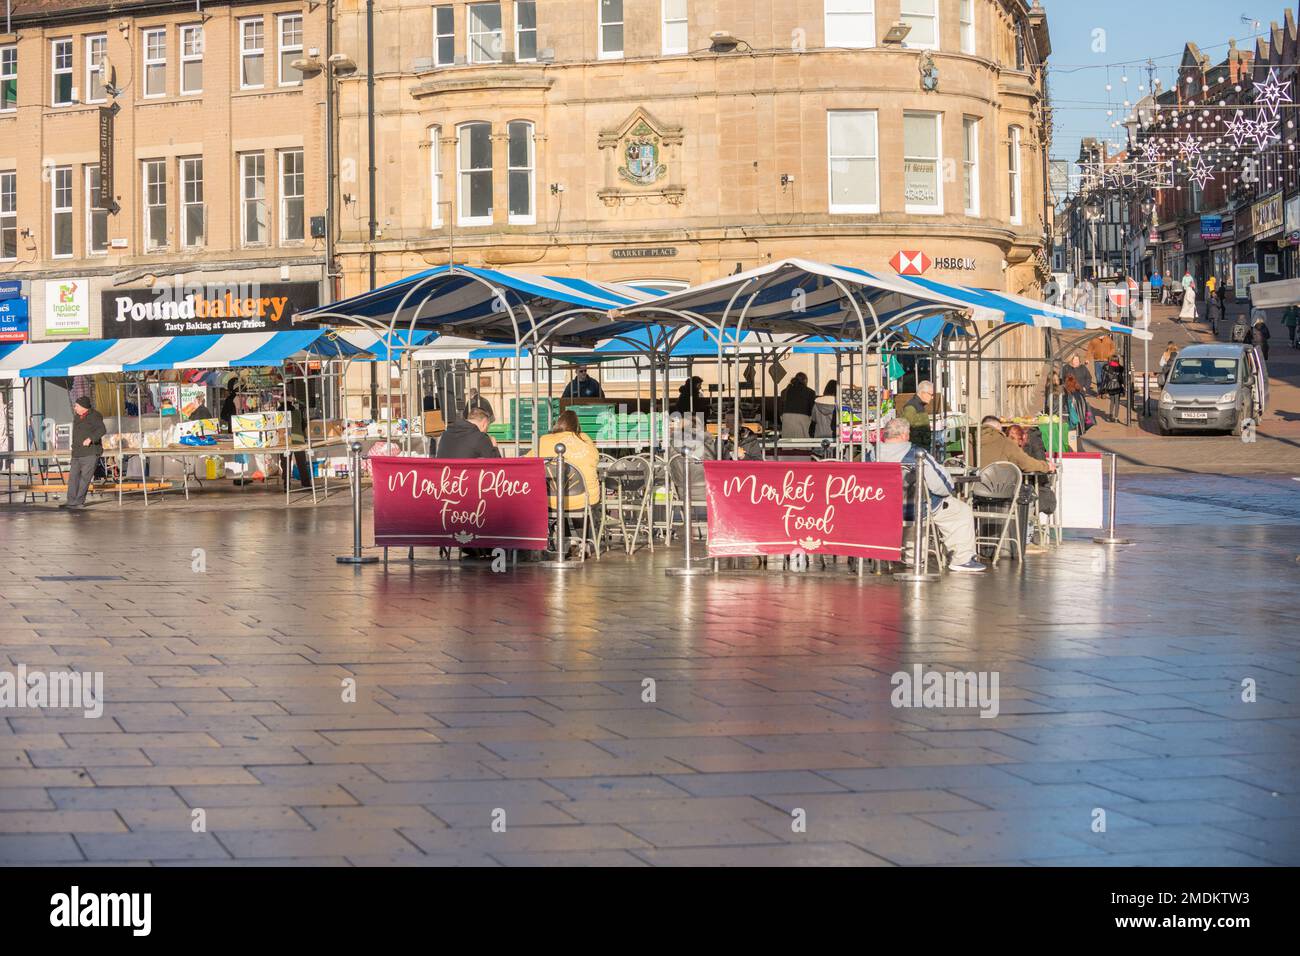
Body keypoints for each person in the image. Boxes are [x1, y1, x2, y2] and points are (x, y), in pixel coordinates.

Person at [874, 418, 985, 574]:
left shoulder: (871, 454)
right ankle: (962, 559)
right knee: (960, 510)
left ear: (884, 435)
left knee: (915, 506)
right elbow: (942, 486)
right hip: (915, 510)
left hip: (882, 510)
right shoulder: (918, 455)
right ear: (906, 435)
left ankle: (911, 557)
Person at [526, 409, 600, 510]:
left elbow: (527, 463)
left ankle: (561, 525)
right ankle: (582, 526)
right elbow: (596, 460)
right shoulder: (585, 439)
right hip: (585, 500)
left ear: (557, 424)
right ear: (577, 427)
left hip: (550, 500)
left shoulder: (544, 440)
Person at [62, 396, 105, 510]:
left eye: (76, 406)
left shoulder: (94, 415)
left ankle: (79, 502)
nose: (74, 408)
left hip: (90, 453)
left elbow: (102, 429)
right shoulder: (77, 416)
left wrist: (91, 438)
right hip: (77, 452)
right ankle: (71, 502)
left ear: (83, 407)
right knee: (73, 478)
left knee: (84, 479)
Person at [978, 416, 1052, 474]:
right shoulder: (1005, 442)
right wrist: (1046, 466)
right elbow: (1026, 463)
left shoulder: (971, 442)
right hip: (1000, 489)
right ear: (997, 428)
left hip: (974, 488)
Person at [433, 407, 499, 458]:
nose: (486, 431)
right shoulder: (480, 437)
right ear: (484, 423)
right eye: (487, 427)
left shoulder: (445, 434)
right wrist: (494, 447)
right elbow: (496, 467)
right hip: (464, 475)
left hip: (444, 474)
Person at [899, 379, 936, 450]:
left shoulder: (920, 405)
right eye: (931, 394)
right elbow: (904, 429)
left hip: (921, 446)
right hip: (915, 448)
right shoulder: (911, 407)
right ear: (923, 393)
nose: (932, 397)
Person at [779, 371, 816, 438]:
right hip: (803, 417)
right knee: (802, 442)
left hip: (786, 417)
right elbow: (812, 410)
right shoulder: (810, 392)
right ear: (805, 380)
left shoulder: (784, 391)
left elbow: (780, 408)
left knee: (788, 441)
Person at [1063, 374, 1092, 449]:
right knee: (1078, 441)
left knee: (1074, 443)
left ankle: (1080, 455)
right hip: (1081, 422)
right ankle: (1081, 453)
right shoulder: (1080, 394)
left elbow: (1069, 410)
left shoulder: (1070, 396)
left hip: (1074, 423)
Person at [1099, 356, 1127, 421]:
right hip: (1117, 386)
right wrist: (1124, 385)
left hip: (1110, 386)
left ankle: (1110, 415)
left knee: (1112, 401)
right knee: (1117, 402)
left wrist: (1102, 388)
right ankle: (1116, 417)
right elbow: (1122, 379)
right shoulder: (1120, 368)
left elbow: (1104, 378)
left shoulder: (1107, 367)